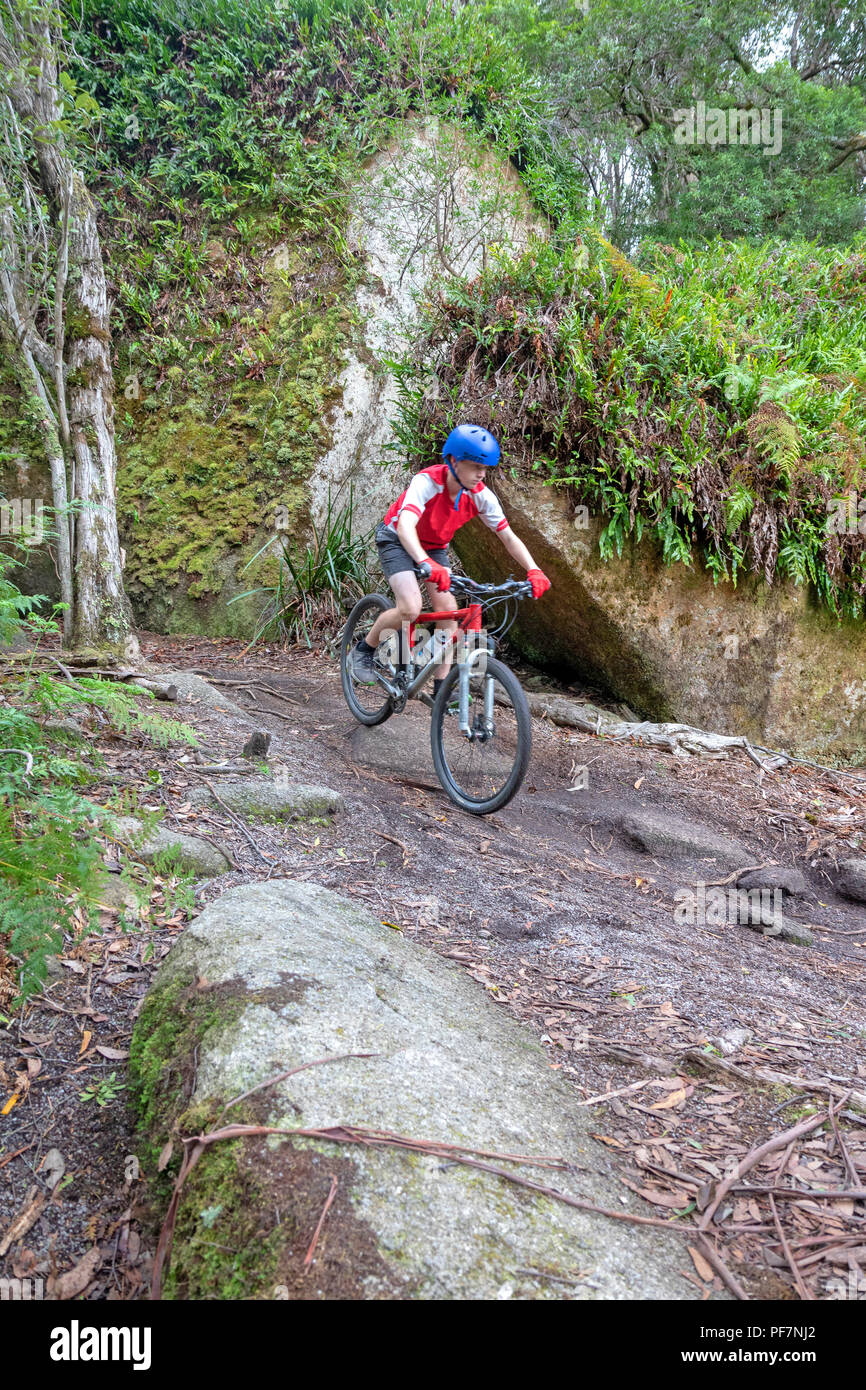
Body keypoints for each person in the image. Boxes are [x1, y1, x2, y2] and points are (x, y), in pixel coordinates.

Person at [351, 423, 551, 693]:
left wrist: (534, 569)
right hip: (397, 540)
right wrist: (425, 563)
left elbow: (508, 537)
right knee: (410, 607)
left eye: (485, 468)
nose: (481, 474)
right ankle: (364, 650)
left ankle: (441, 687)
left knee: (449, 617)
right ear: (454, 461)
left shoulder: (481, 496)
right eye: (475, 466)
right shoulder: (427, 482)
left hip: (434, 548)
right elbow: (405, 525)